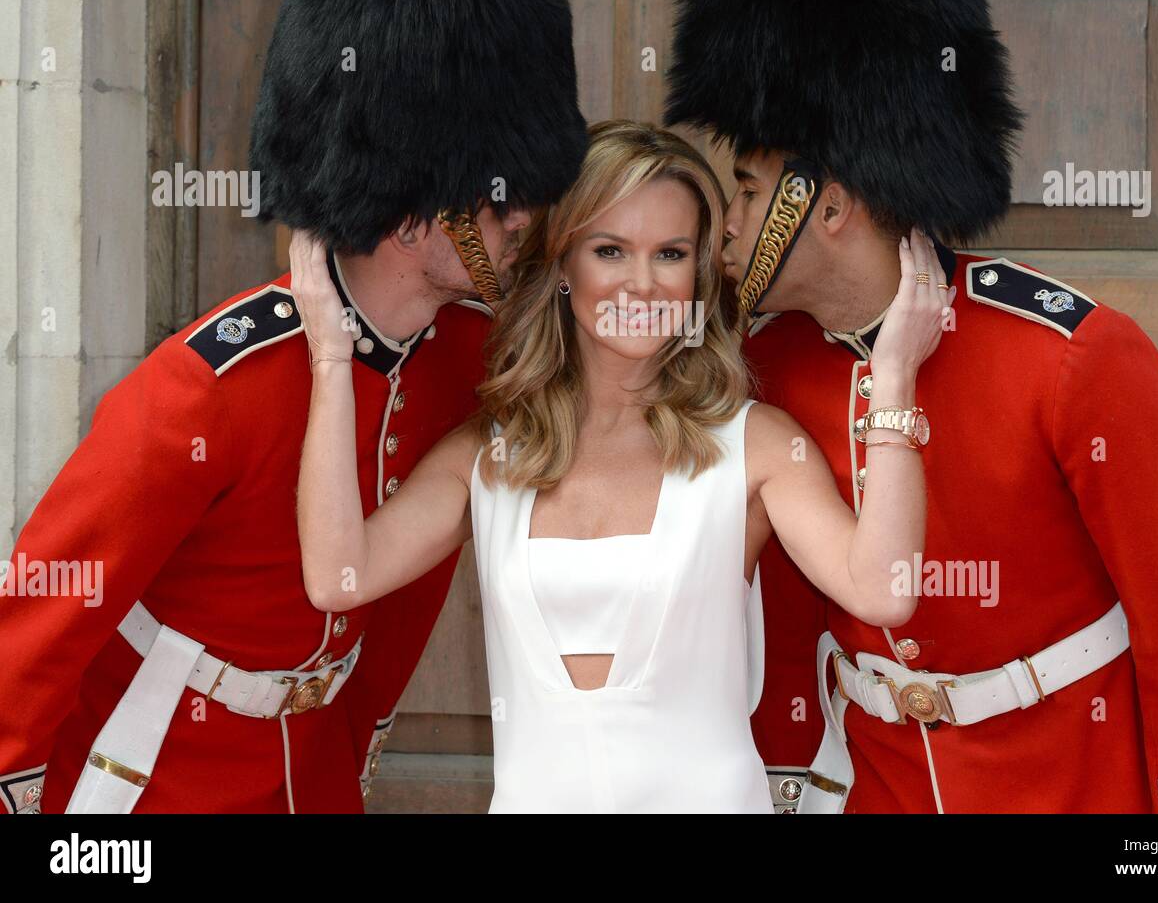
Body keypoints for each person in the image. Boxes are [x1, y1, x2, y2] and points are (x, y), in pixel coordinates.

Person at [664, 0, 1158, 813]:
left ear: (826, 200)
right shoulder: (761, 365)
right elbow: (778, 610)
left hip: (1072, 781)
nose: (722, 224)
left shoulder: (1071, 358)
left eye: (744, 189)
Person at [0, 0, 587, 814]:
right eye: (502, 192)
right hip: (141, 788)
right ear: (413, 208)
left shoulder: (464, 364)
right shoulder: (213, 384)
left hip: (311, 778)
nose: (526, 216)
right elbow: (35, 627)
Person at [292, 120, 950, 813]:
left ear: (697, 271)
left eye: (669, 253)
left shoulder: (756, 446)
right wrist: (332, 360)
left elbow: (882, 591)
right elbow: (343, 575)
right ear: (564, 265)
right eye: (610, 250)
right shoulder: (487, 458)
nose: (642, 285)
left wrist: (894, 374)